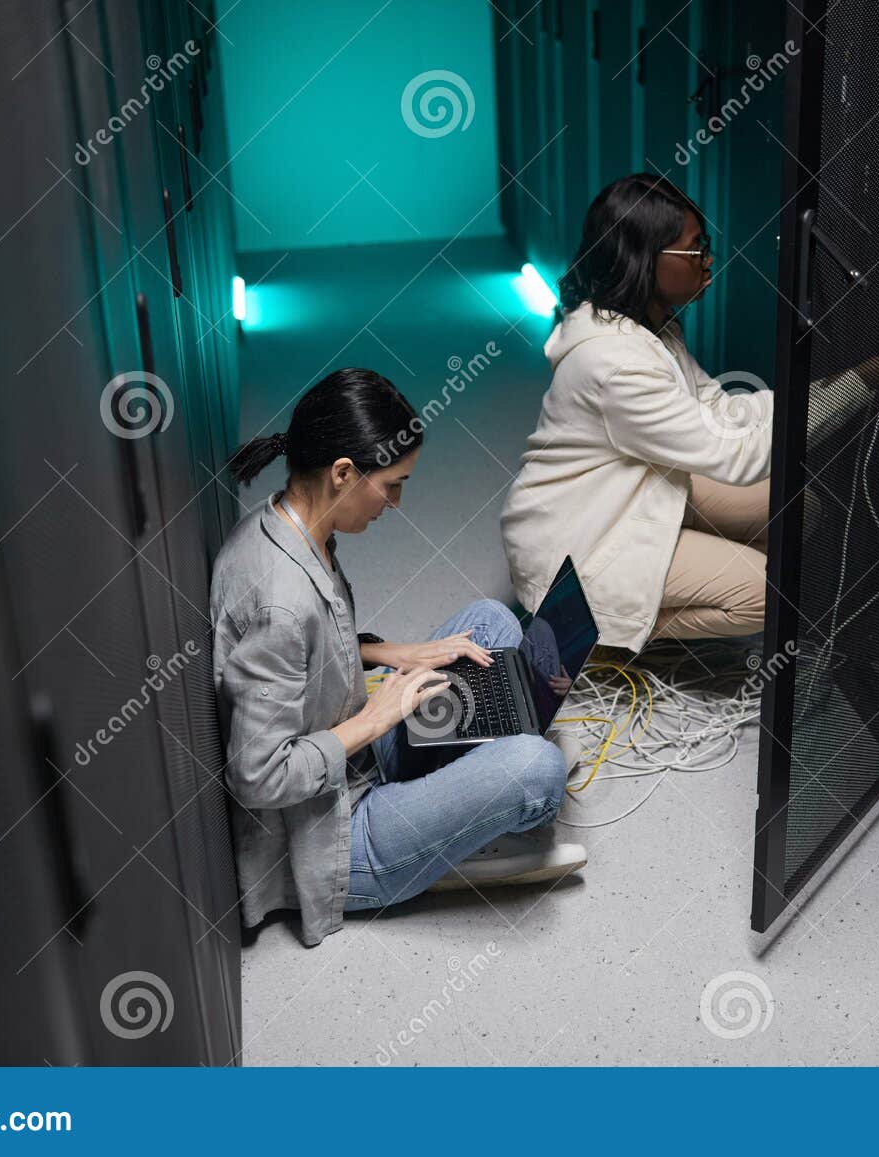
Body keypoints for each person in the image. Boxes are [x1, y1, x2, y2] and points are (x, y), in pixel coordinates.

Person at [211, 368, 587, 948]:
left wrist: (388, 651)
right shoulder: (279, 601)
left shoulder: (288, 524)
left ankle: (485, 759)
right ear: (343, 473)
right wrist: (376, 718)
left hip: (347, 748)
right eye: (392, 484)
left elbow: (308, 649)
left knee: (490, 621)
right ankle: (490, 803)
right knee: (538, 769)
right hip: (333, 836)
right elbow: (258, 776)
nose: (396, 502)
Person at [500, 173, 774, 654]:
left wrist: (819, 393)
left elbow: (720, 411)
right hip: (580, 542)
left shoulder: (649, 325)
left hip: (625, 496)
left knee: (795, 507)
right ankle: (589, 628)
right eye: (695, 248)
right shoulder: (616, 362)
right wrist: (850, 388)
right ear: (646, 259)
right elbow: (735, 456)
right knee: (768, 593)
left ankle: (675, 584)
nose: (708, 259)